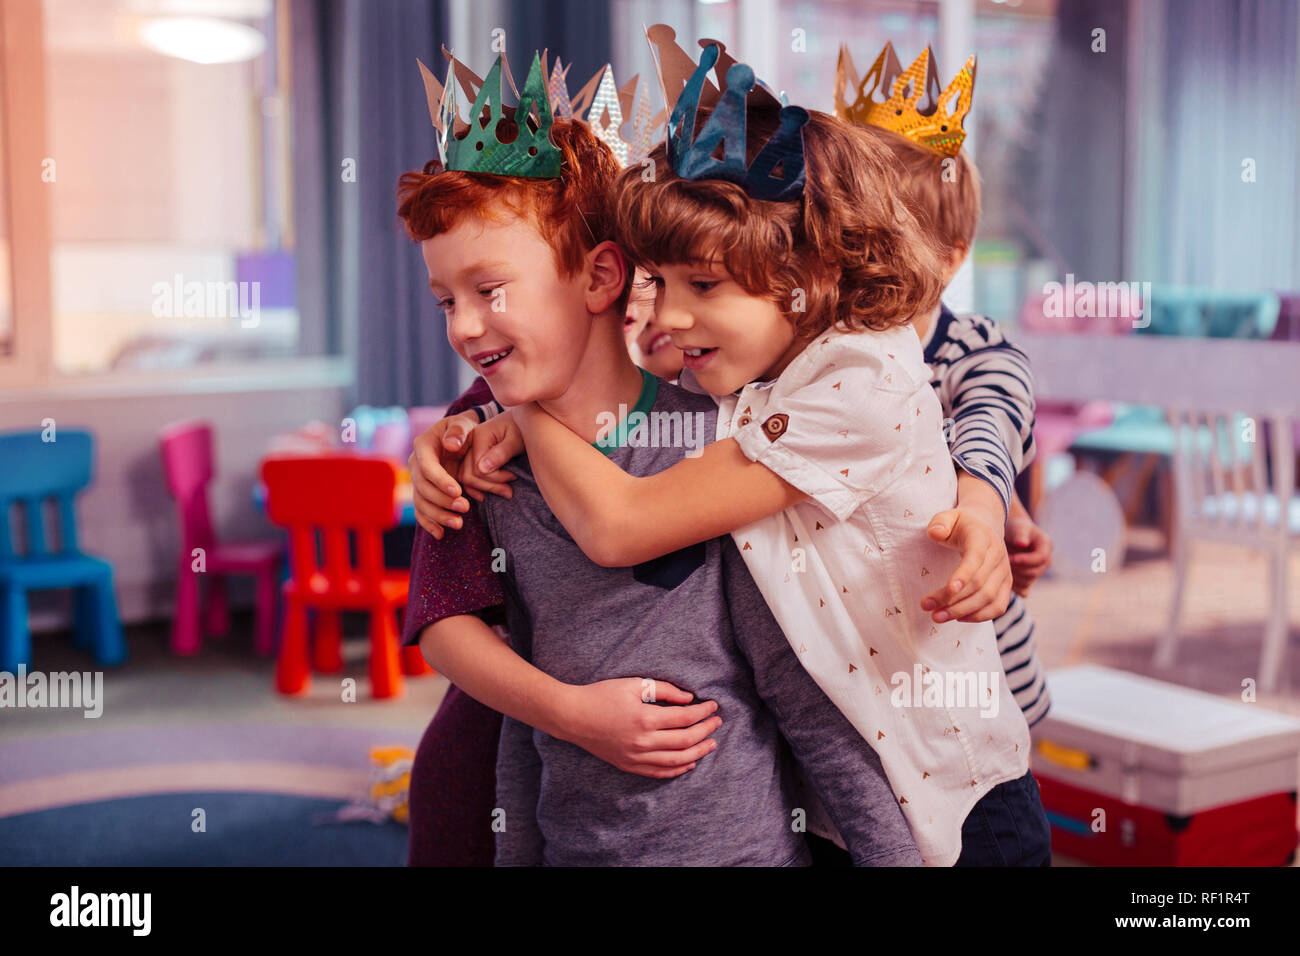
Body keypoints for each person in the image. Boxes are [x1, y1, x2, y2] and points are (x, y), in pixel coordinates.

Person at [443, 41, 1048, 866]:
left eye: (704, 285)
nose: (668, 319)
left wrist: (520, 407)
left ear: (811, 271)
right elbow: (618, 382)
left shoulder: (860, 383)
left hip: (945, 777)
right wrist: (467, 423)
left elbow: (621, 527)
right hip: (831, 776)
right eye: (657, 282)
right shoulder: (748, 362)